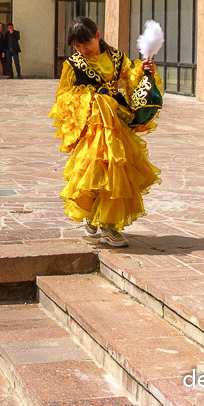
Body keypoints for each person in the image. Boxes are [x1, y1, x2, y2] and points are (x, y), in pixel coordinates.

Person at [48, 16, 163, 247]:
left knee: (117, 171)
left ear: (97, 35)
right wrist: (91, 99)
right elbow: (63, 96)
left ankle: (102, 220)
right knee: (96, 171)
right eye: (77, 46)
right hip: (92, 125)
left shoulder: (116, 57)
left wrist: (144, 69)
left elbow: (131, 79)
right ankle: (104, 223)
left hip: (115, 122)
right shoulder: (72, 65)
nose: (82, 49)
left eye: (86, 43)